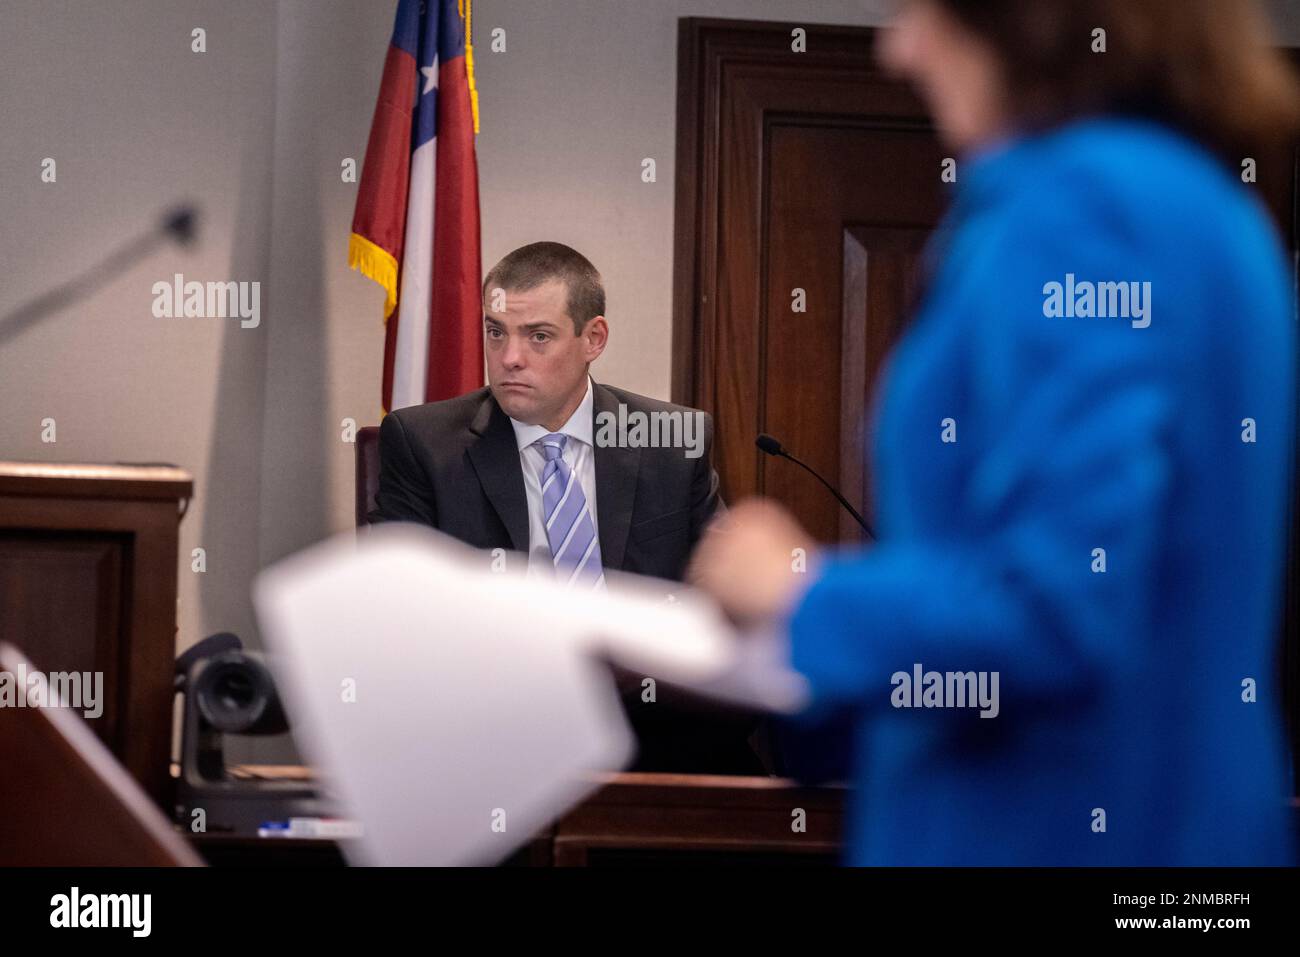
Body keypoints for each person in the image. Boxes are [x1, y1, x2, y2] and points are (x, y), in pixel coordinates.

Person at [690, 0, 1300, 864]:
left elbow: (1060, 605)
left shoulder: (1078, 210)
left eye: (921, 9)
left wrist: (801, 592)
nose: (897, 49)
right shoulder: (1209, 209)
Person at [372, 241, 767, 774]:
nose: (510, 357)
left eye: (538, 336)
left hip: (652, 728)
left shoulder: (670, 440)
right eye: (496, 332)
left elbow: (723, 597)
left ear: (593, 339)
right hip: (494, 731)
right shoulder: (423, 443)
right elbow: (397, 606)